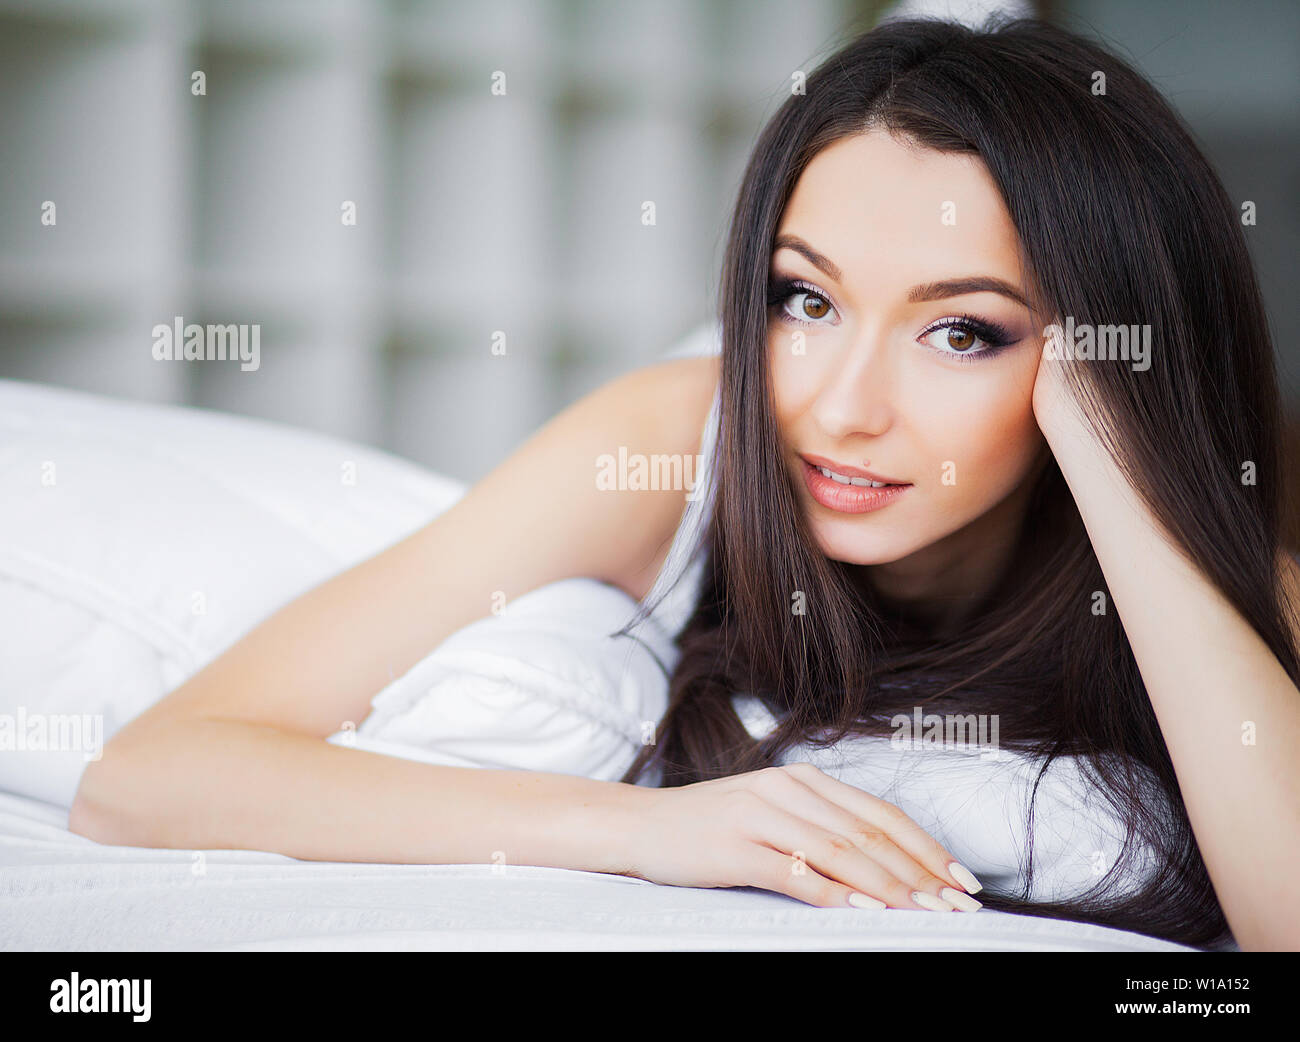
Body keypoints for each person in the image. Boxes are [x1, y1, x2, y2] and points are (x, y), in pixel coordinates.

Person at [70, 16, 1300, 952]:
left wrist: (1117, 463)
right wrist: (644, 830)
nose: (841, 407)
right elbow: (145, 776)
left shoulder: (1229, 578)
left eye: (961, 331)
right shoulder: (674, 438)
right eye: (802, 300)